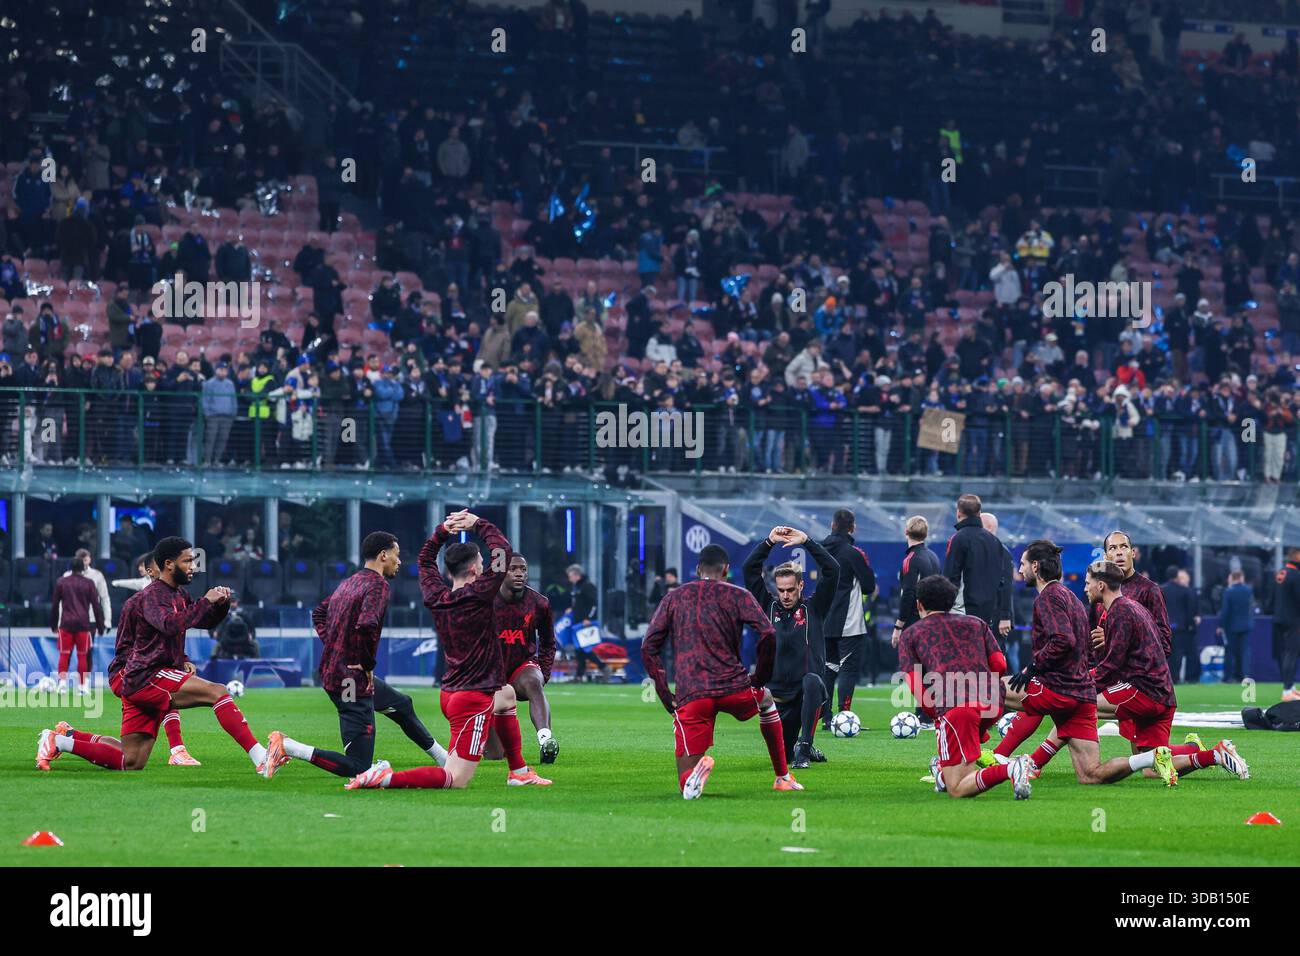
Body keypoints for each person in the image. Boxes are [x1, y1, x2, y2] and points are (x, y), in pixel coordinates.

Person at [36, 537, 279, 774]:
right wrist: (206, 600)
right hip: (146, 675)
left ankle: (60, 741)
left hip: (141, 677)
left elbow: (201, 620)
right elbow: (169, 624)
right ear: (169, 564)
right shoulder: (152, 596)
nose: (193, 566)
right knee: (217, 692)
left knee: (130, 760)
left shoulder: (178, 595)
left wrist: (221, 604)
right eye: (187, 561)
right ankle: (260, 757)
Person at [347, 511, 551, 789]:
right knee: (455, 779)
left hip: (451, 692)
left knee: (506, 695)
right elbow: (503, 551)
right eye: (481, 562)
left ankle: (519, 771)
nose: (484, 565)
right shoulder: (480, 596)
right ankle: (384, 778)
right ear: (473, 570)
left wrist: (443, 530)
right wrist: (477, 523)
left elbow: (425, 559)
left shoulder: (435, 595)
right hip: (473, 698)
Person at [1027, 560, 1249, 783]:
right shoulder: (1131, 607)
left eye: (1087, 583)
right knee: (1152, 767)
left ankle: (1034, 763)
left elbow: (1111, 667)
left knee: (1077, 706)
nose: (1084, 589)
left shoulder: (1119, 612)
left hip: (1142, 691)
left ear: (1101, 585)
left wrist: (1074, 683)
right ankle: (1215, 755)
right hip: (1164, 696)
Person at [263, 531, 450, 779]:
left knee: (401, 704)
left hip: (338, 673)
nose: (399, 561)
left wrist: (336, 645)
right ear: (383, 555)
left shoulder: (350, 582)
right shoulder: (377, 585)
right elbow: (367, 625)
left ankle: (444, 759)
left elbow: (319, 613)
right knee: (359, 767)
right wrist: (366, 664)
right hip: (351, 680)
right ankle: (286, 746)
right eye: (397, 555)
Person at [996, 541, 1177, 785]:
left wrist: (1034, 668)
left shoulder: (1053, 599)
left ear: (1036, 566)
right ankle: (1164, 757)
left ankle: (982, 759)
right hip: (1146, 691)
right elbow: (1085, 647)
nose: (1085, 588)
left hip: (1133, 689)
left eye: (1023, 564)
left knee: (985, 690)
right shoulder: (1075, 600)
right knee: (1091, 775)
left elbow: (1066, 642)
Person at [642, 543, 802, 798]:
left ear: (697, 569)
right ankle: (782, 776)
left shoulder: (674, 597)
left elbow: (648, 646)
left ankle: (695, 773)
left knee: (685, 785)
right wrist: (760, 678)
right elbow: (768, 633)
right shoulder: (738, 595)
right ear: (726, 570)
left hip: (692, 694)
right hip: (734, 688)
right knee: (767, 700)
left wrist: (664, 693)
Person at [897, 574, 1030, 799]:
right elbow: (999, 663)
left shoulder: (912, 634)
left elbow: (914, 683)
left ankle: (1011, 769)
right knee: (960, 754)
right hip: (992, 704)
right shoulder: (976, 623)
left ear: (919, 604)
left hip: (956, 707)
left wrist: (936, 714)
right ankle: (942, 772)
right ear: (951, 602)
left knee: (957, 789)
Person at [742, 525, 839, 770]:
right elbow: (749, 570)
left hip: (806, 693)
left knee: (812, 680)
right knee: (782, 757)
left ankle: (805, 748)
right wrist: (769, 542)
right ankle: (799, 747)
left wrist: (807, 541)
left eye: (790, 590)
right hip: (777, 699)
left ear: (801, 587)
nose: (785, 595)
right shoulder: (767, 607)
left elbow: (833, 570)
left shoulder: (814, 609)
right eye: (781, 590)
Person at [485, 554, 559, 764]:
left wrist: (543, 673)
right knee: (496, 755)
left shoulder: (540, 603)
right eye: (513, 569)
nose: (519, 573)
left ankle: (546, 741)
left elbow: (548, 641)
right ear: (502, 572)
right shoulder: (486, 601)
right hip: (491, 674)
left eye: (523, 569)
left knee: (533, 682)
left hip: (521, 666)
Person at [819, 509, 877, 728]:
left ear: (832, 525)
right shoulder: (853, 553)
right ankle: (845, 717)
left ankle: (824, 716)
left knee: (828, 668)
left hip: (824, 618)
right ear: (852, 527)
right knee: (848, 669)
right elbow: (869, 586)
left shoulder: (821, 549)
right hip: (849, 621)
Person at [942, 494, 1007, 636]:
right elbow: (1001, 581)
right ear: (979, 513)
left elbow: (950, 578)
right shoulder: (995, 541)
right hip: (988, 613)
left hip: (963, 611)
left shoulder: (958, 539)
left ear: (958, 512)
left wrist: (943, 609)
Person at [51, 553, 104, 690]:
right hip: (83, 624)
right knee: (82, 655)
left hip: (66, 624)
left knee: (64, 654)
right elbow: (96, 606)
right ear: (82, 568)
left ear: (70, 567)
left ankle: (62, 684)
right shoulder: (89, 583)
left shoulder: (62, 582)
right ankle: (83, 686)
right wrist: (100, 625)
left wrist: (53, 624)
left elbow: (55, 604)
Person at [981, 511, 1018, 668]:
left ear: (989, 527)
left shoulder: (1001, 552)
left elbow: (1007, 586)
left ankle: (997, 691)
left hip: (997, 617)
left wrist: (1005, 616)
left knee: (996, 657)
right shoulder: (986, 550)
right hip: (987, 613)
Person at [1162, 566, 1201, 683]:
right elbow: (1188, 611)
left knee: (1167, 654)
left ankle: (1168, 678)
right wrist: (1191, 625)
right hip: (1180, 627)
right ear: (1177, 576)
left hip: (1165, 626)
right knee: (1179, 653)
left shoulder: (1160, 589)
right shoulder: (1185, 591)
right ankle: (1178, 678)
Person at [563, 563, 599, 680]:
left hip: (585, 623)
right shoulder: (578, 587)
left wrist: (589, 618)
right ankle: (579, 675)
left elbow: (594, 605)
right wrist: (572, 609)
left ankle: (603, 667)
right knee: (579, 649)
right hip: (578, 623)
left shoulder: (588, 586)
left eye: (570, 576)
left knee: (584, 648)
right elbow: (580, 604)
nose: (569, 579)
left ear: (576, 575)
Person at [1272, 548, 1300, 702]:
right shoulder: (1296, 575)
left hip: (1278, 618)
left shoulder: (1280, 573)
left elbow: (1271, 596)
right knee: (1291, 653)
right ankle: (1287, 690)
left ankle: (1290, 687)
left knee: (1285, 654)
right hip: (1293, 620)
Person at [1217, 570, 1254, 683]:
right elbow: (1251, 607)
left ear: (1232, 578)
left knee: (1230, 652)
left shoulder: (1229, 591)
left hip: (1231, 626)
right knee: (1245, 651)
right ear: (1241, 577)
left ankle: (1229, 676)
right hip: (1246, 625)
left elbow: (1225, 610)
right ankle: (1245, 675)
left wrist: (1221, 625)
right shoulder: (1248, 590)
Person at [209, 594, 259, 659]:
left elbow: (252, 629)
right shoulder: (223, 615)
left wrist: (251, 635)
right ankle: (213, 665)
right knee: (216, 647)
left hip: (243, 640)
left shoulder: (244, 615)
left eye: (234, 601)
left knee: (255, 644)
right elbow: (216, 628)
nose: (232, 604)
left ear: (237, 602)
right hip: (227, 640)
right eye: (230, 601)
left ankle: (256, 662)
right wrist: (215, 633)